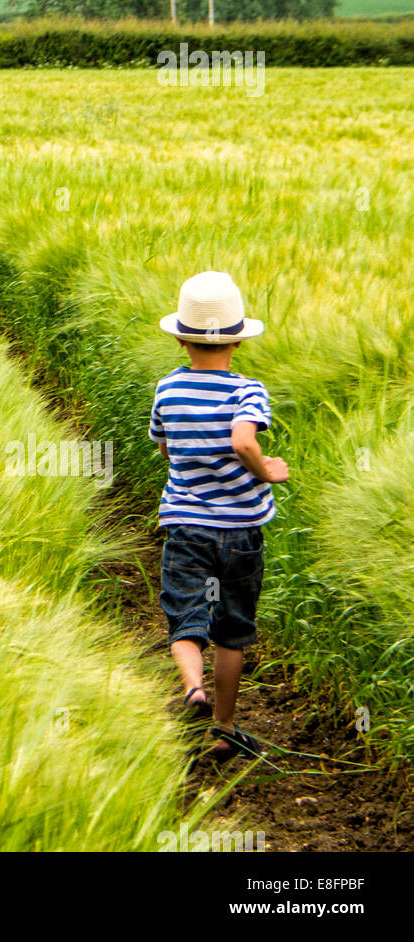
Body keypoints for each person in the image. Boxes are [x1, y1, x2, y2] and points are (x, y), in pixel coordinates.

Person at [149, 271, 289, 760]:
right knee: (232, 630)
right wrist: (267, 471)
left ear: (181, 339)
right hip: (241, 530)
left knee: (185, 618)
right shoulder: (248, 390)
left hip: (186, 525)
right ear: (237, 341)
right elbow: (244, 441)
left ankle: (193, 688)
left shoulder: (167, 389)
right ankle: (223, 727)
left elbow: (167, 449)